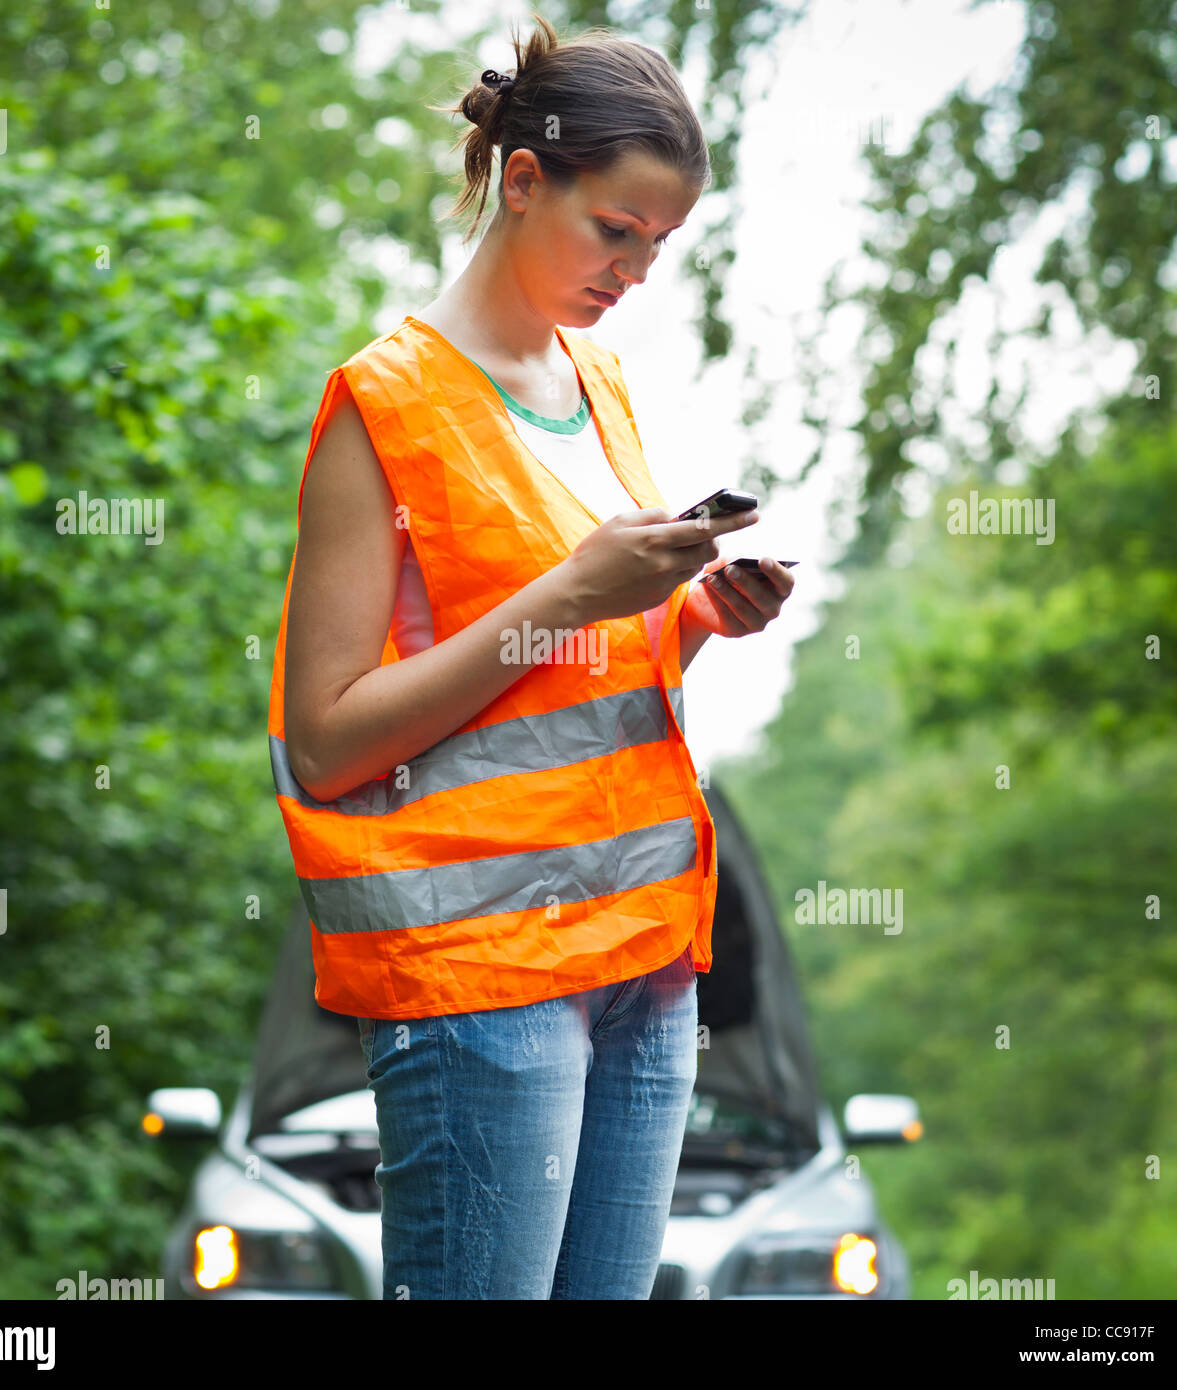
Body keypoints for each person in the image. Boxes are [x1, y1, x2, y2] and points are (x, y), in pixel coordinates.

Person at [268, 13, 794, 1300]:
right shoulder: (381, 407)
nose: (636, 270)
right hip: (483, 976)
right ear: (521, 180)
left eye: (659, 245)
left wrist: (687, 615)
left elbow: (565, 668)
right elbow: (327, 740)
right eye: (615, 230)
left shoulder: (599, 384)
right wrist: (577, 582)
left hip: (642, 959)